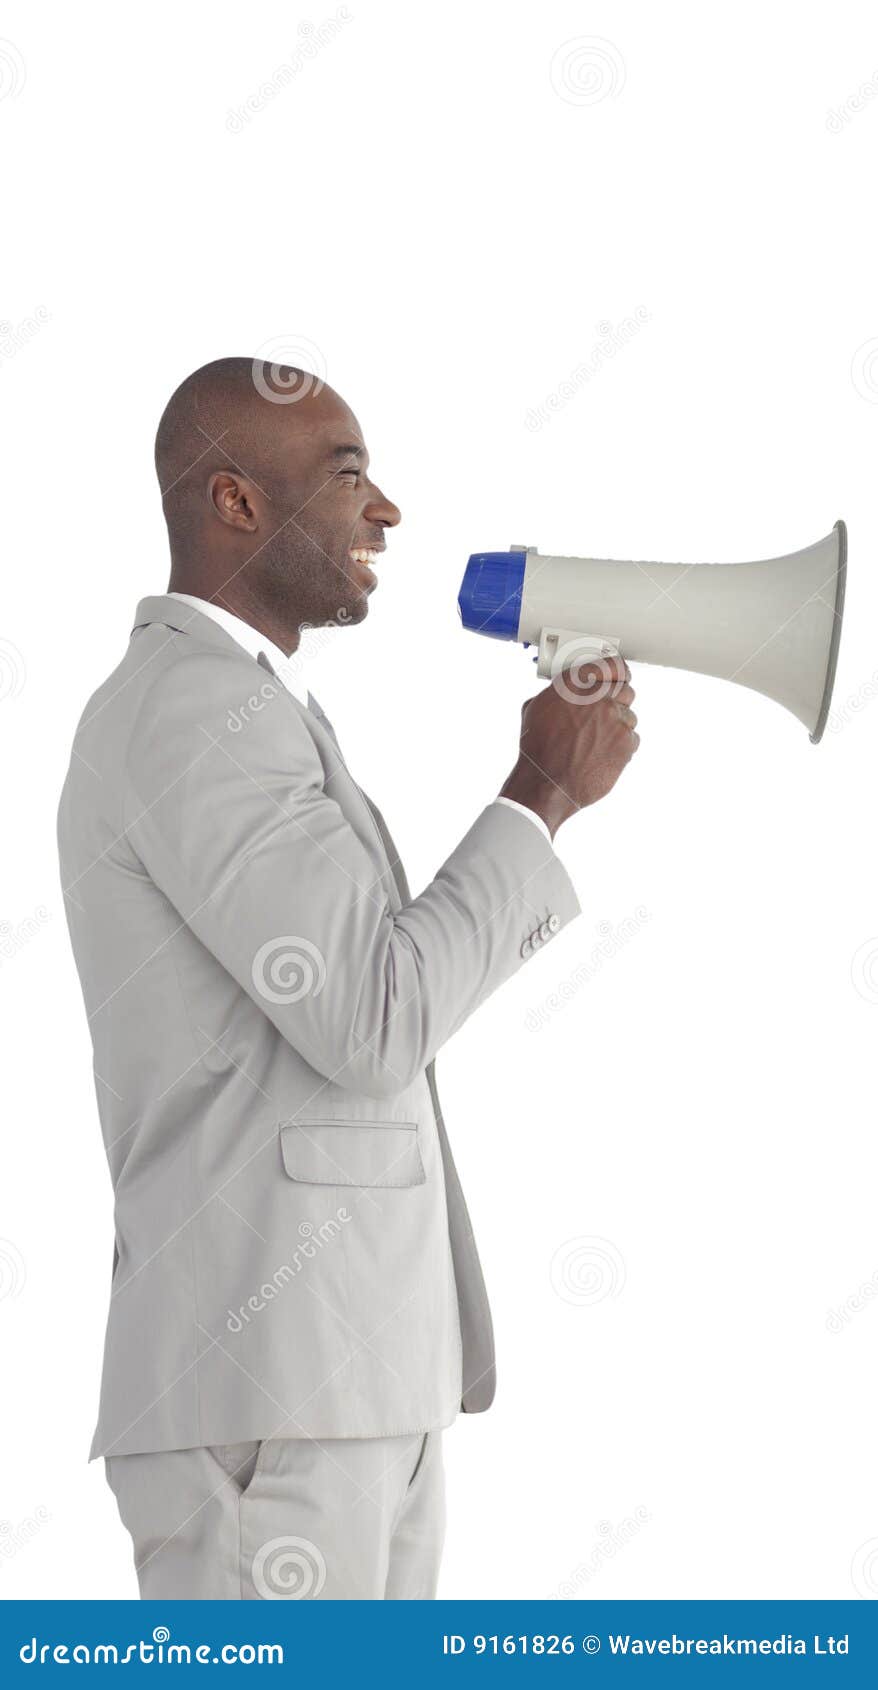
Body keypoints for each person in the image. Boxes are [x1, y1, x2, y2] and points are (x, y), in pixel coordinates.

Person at [57, 356, 639, 1600]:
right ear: (233, 504)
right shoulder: (189, 711)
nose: (384, 512)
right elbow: (372, 1017)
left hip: (344, 1379)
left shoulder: (247, 710)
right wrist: (541, 792)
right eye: (345, 474)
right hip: (275, 1386)